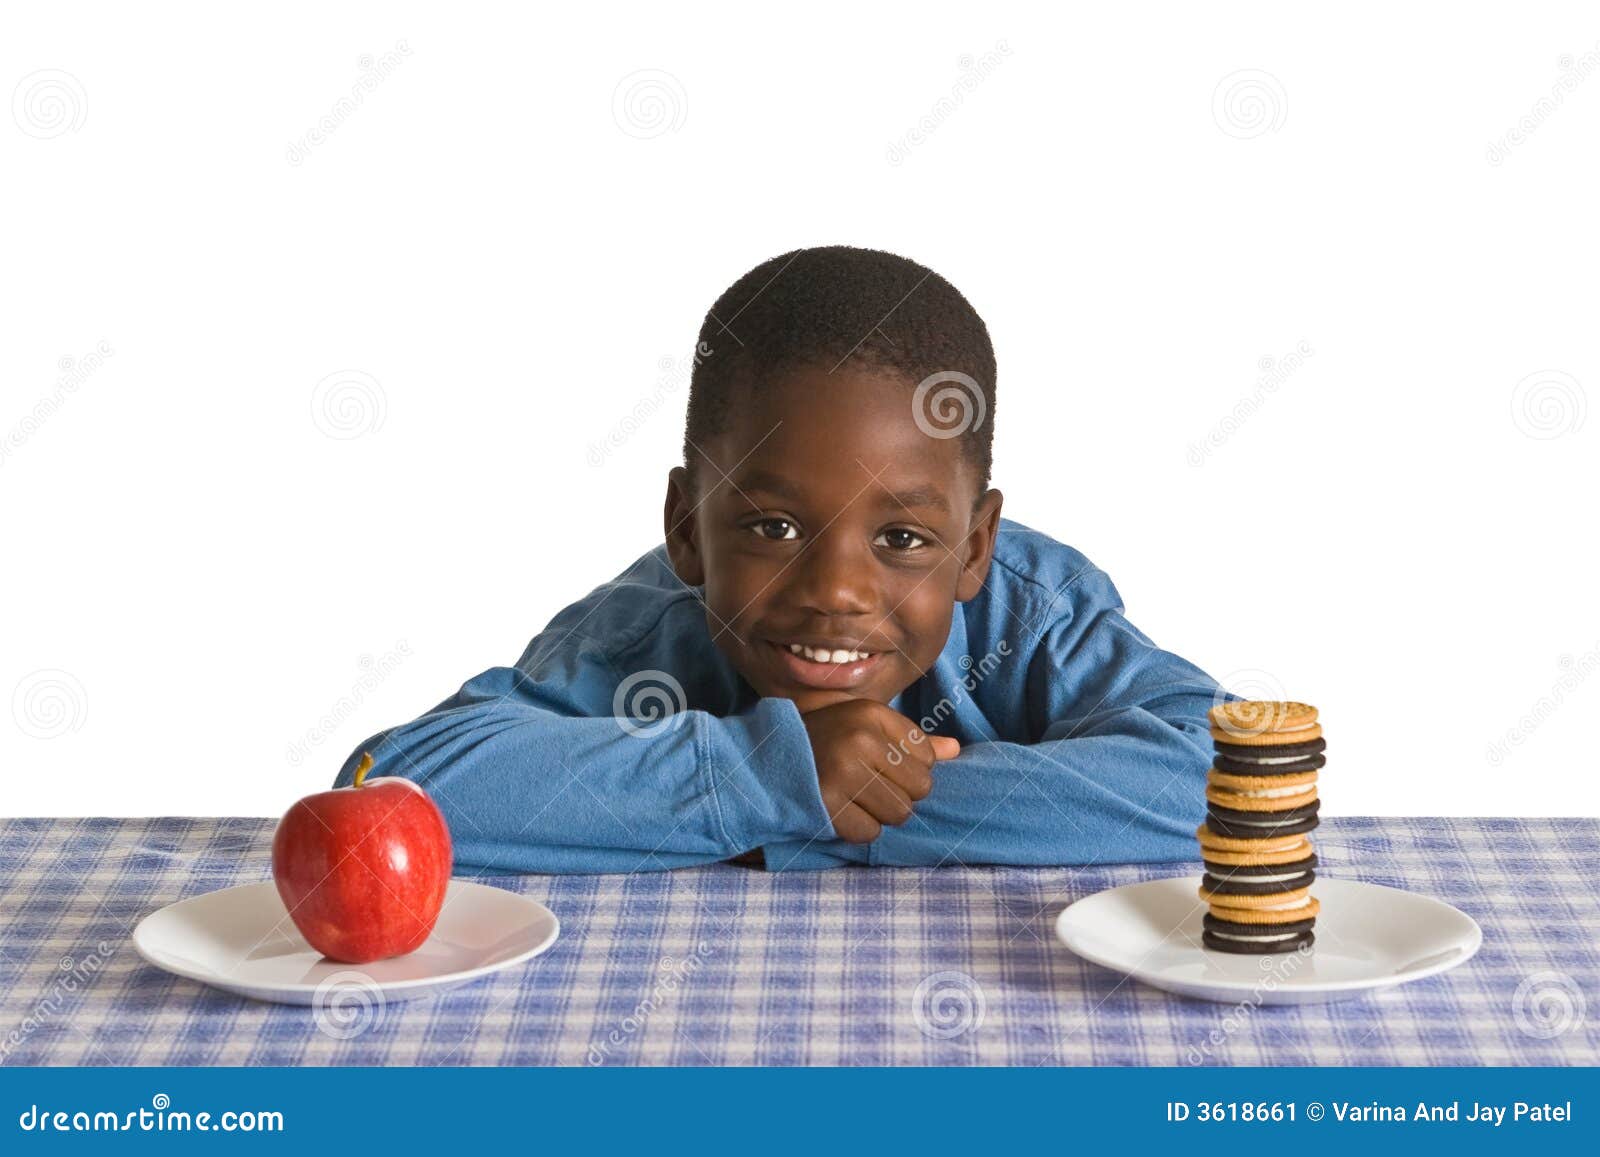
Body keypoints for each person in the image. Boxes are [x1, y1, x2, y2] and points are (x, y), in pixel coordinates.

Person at [335, 245, 1231, 872]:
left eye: (904, 540)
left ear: (976, 547)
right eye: (771, 527)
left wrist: (831, 809)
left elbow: (1219, 771)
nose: (836, 590)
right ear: (688, 526)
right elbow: (397, 787)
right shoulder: (646, 636)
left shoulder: (1031, 615)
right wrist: (769, 774)